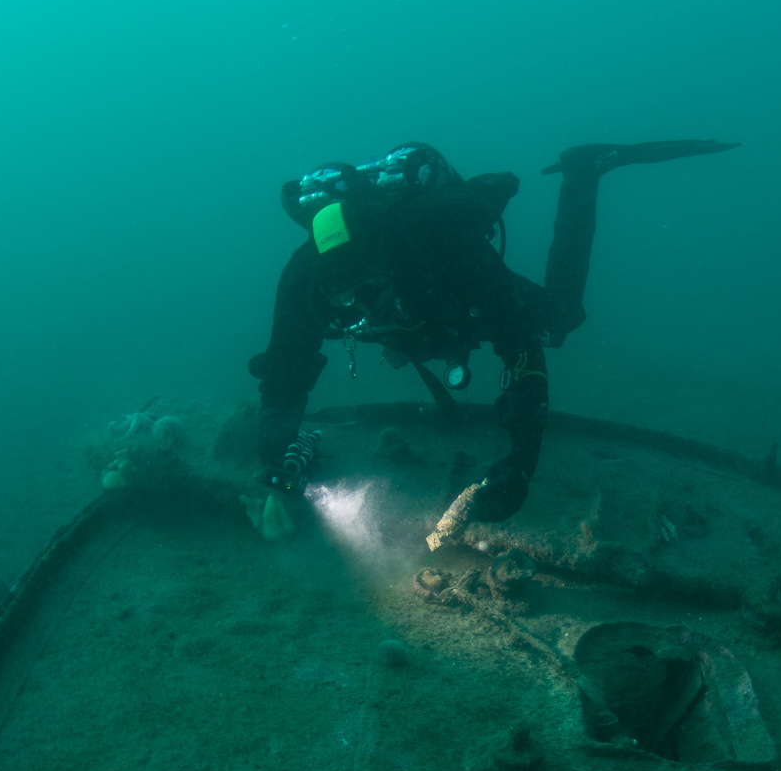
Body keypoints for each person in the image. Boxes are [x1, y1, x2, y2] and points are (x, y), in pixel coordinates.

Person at [244, 139, 737, 539]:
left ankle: (583, 172)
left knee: (559, 319)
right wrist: (275, 466)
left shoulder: (444, 253)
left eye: (371, 288)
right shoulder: (305, 279)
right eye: (347, 296)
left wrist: (522, 461)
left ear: (391, 264)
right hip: (425, 325)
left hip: (452, 304)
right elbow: (285, 373)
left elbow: (522, 347)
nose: (363, 305)